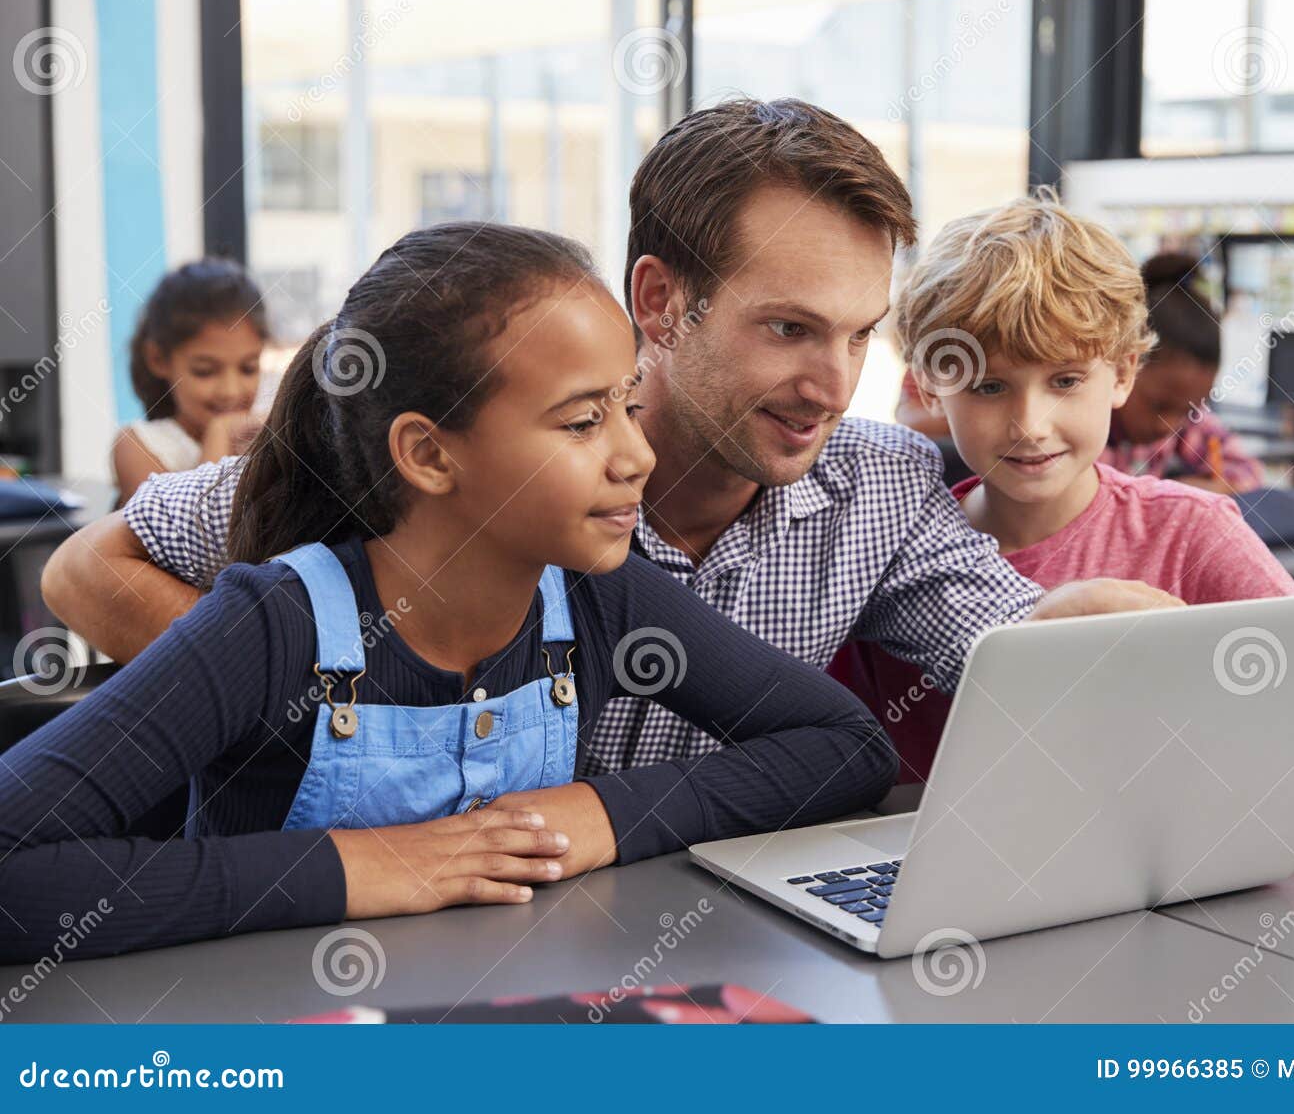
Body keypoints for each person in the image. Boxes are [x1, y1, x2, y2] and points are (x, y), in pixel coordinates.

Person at [43, 98, 1173, 777]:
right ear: (660, 300)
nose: (832, 385)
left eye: (859, 334)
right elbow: (88, 566)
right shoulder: (496, 447)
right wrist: (294, 716)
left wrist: (1130, 631)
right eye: (787, 328)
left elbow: (1008, 644)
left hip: (667, 932)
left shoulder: (880, 485)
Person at [0, 222, 896, 962]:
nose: (637, 454)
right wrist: (364, 866)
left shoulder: (600, 600)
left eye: (627, 404)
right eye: (584, 421)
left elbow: (846, 745)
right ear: (429, 454)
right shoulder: (273, 627)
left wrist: (606, 812)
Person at [829, 193, 1294, 787]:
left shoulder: (1190, 532)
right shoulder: (889, 544)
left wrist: (1189, 669)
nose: (1031, 424)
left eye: (1066, 380)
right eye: (989, 388)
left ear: (1123, 373)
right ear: (928, 387)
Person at [1102, 252, 1264, 493]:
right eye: (1158, 407)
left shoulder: (1183, 425)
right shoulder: (1084, 435)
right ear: (1121, 368)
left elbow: (1247, 469)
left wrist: (1186, 493)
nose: (1167, 426)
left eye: (1188, 411)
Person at [112, 259, 268, 504]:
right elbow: (194, 536)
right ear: (158, 359)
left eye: (248, 369)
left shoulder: (265, 434)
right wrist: (219, 437)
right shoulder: (139, 446)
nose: (231, 391)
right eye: (205, 371)